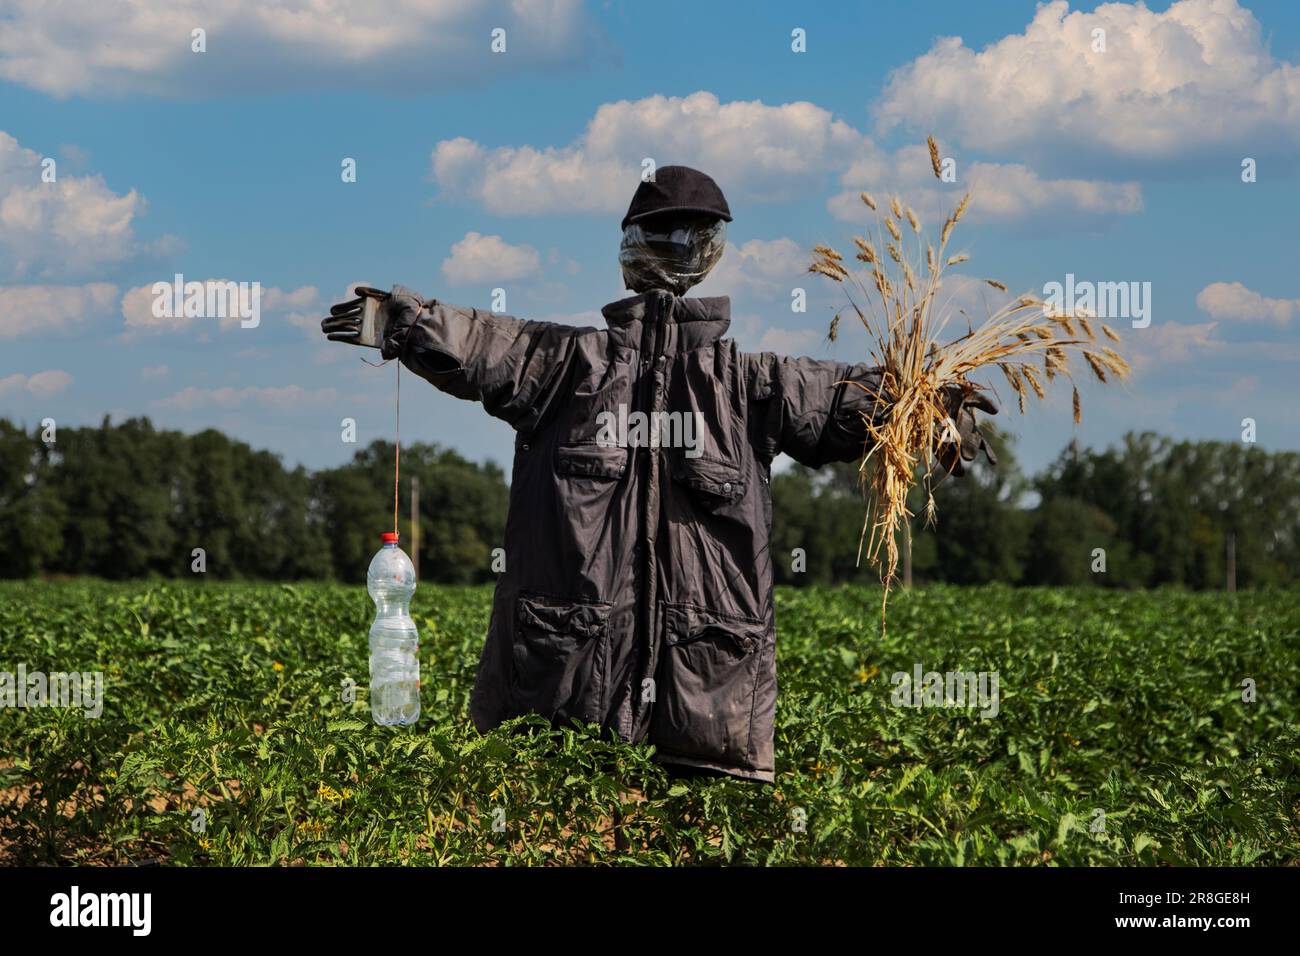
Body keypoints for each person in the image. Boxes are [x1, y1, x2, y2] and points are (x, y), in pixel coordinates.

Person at [321, 166, 997, 783]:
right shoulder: (566, 368)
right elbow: (476, 342)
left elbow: (856, 401)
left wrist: (933, 412)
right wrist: (402, 324)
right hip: (557, 714)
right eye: (670, 236)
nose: (678, 248)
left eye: (687, 236)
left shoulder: (749, 386)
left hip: (704, 726)